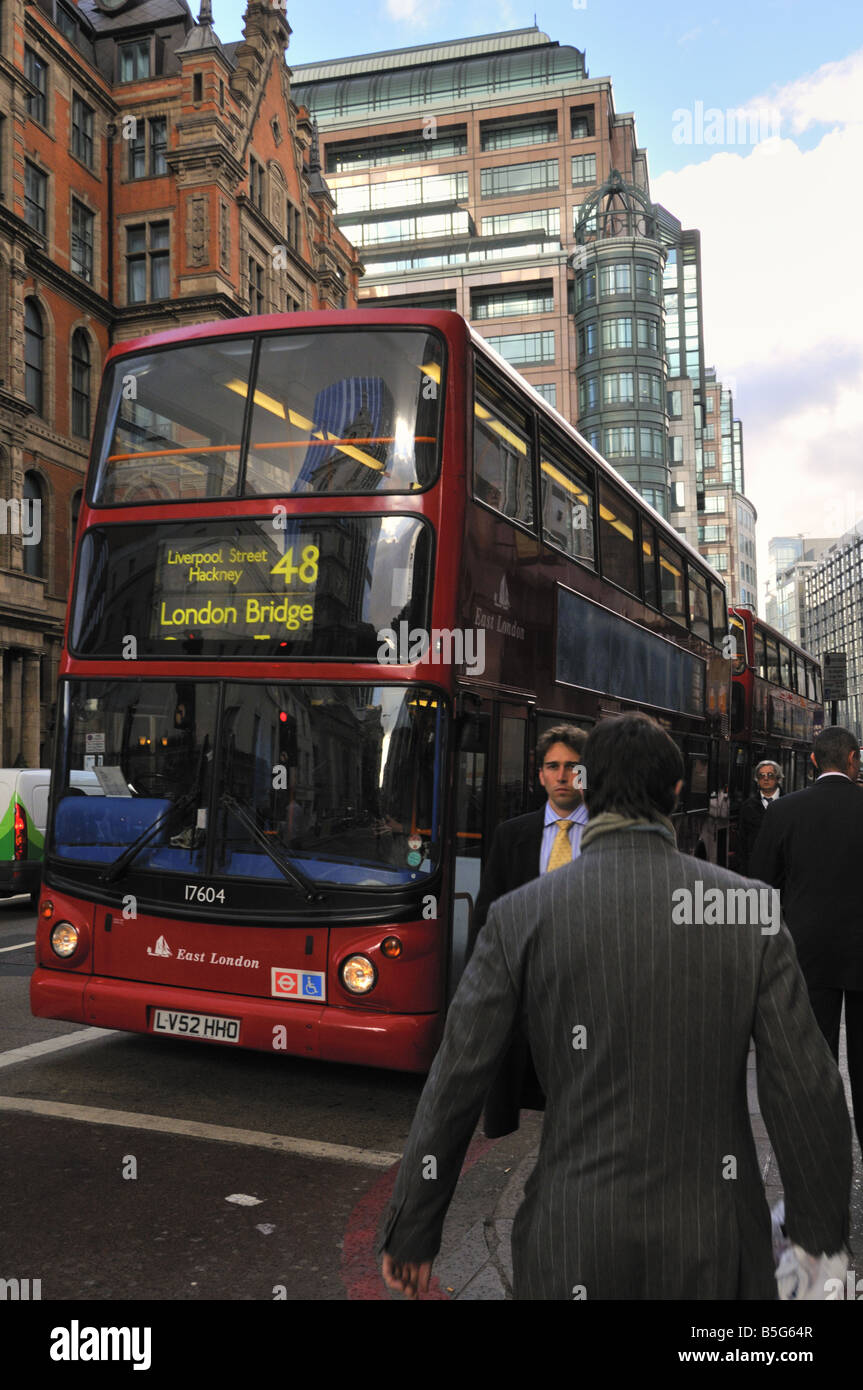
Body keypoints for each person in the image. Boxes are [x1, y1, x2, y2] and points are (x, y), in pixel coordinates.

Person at [379, 713, 851, 1300]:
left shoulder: (519, 916)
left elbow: (454, 1080)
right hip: (716, 1241)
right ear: (676, 794)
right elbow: (808, 1090)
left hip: (571, 1234)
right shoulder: (749, 912)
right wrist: (816, 1237)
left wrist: (413, 1231)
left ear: (587, 787)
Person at [468, 724, 588, 1137]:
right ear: (539, 775)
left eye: (572, 767)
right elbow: (487, 921)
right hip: (527, 1007)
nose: (561, 776)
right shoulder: (511, 836)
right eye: (552, 766)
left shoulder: (613, 838)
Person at [751, 725, 863, 1159]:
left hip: (807, 956)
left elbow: (760, 887)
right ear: (854, 760)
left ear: (813, 761)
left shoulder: (785, 812)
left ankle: (820, 1159)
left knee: (815, 1065)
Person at [735, 759, 782, 875]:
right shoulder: (747, 806)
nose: (765, 779)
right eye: (761, 776)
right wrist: (743, 872)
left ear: (778, 778)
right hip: (755, 868)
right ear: (757, 780)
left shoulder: (790, 804)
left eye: (770, 775)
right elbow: (741, 842)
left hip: (782, 869)